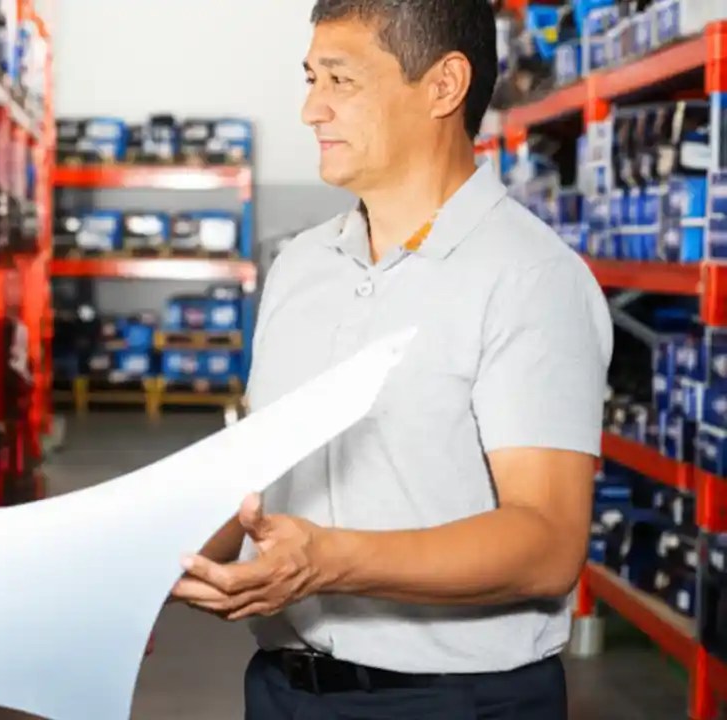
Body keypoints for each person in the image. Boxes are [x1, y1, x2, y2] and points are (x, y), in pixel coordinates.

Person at [170, 2, 612, 718]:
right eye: (311, 78)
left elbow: (547, 543)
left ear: (444, 86)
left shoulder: (531, 278)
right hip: (282, 688)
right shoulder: (301, 267)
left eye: (340, 80)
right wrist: (151, 562)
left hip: (452, 701)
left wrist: (329, 560)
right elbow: (255, 475)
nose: (312, 108)